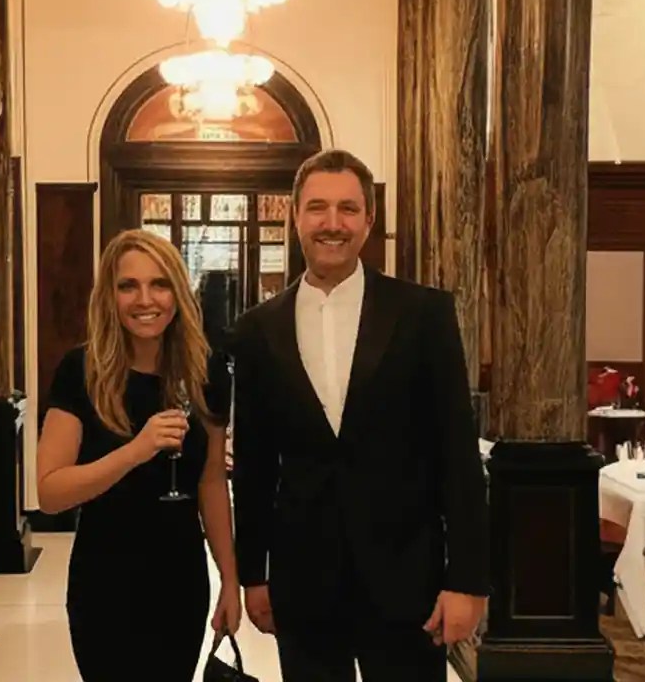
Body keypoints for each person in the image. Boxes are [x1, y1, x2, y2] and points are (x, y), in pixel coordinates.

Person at [231, 149, 490, 681]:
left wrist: (467, 580)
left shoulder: (423, 314)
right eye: (317, 208)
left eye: (348, 209)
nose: (333, 223)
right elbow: (255, 465)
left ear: (369, 220)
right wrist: (253, 575)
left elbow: (457, 453)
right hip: (303, 583)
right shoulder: (258, 328)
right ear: (295, 216)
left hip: (408, 583)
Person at [37, 229, 241, 680]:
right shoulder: (81, 372)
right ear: (109, 296)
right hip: (105, 580)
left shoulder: (205, 372)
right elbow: (50, 493)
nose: (145, 300)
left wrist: (230, 579)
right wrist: (136, 450)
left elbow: (210, 481)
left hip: (181, 579)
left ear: (178, 293)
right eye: (128, 286)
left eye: (159, 284)